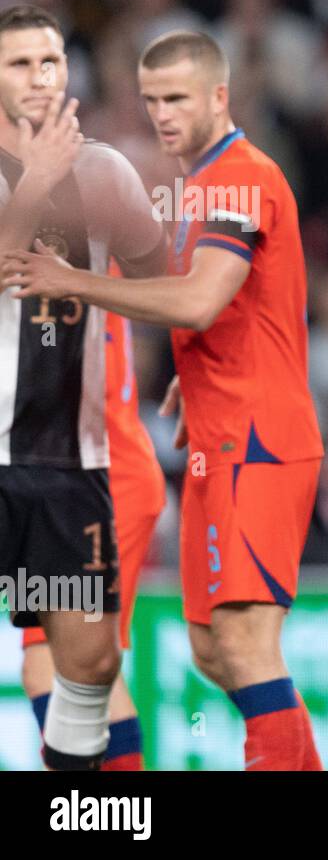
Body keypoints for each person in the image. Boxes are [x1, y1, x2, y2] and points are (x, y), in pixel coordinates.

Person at [3, 29, 325, 770]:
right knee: (215, 651)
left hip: (249, 442)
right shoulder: (200, 186)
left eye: (178, 98)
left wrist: (74, 280)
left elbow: (203, 298)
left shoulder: (237, 178)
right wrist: (199, 366)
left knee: (227, 649)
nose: (163, 116)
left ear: (221, 95)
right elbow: (219, 307)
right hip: (208, 441)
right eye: (151, 102)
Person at [0, 4, 166, 770]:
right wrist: (32, 187)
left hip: (69, 468)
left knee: (90, 664)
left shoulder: (104, 170)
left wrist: (195, 372)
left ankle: (82, 819)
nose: (40, 79)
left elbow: (163, 277)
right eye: (19, 64)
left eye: (51, 62)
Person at [21, 290, 166, 771]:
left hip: (91, 480)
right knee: (85, 667)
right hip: (81, 474)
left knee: (56, 665)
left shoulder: (44, 251)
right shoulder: (84, 245)